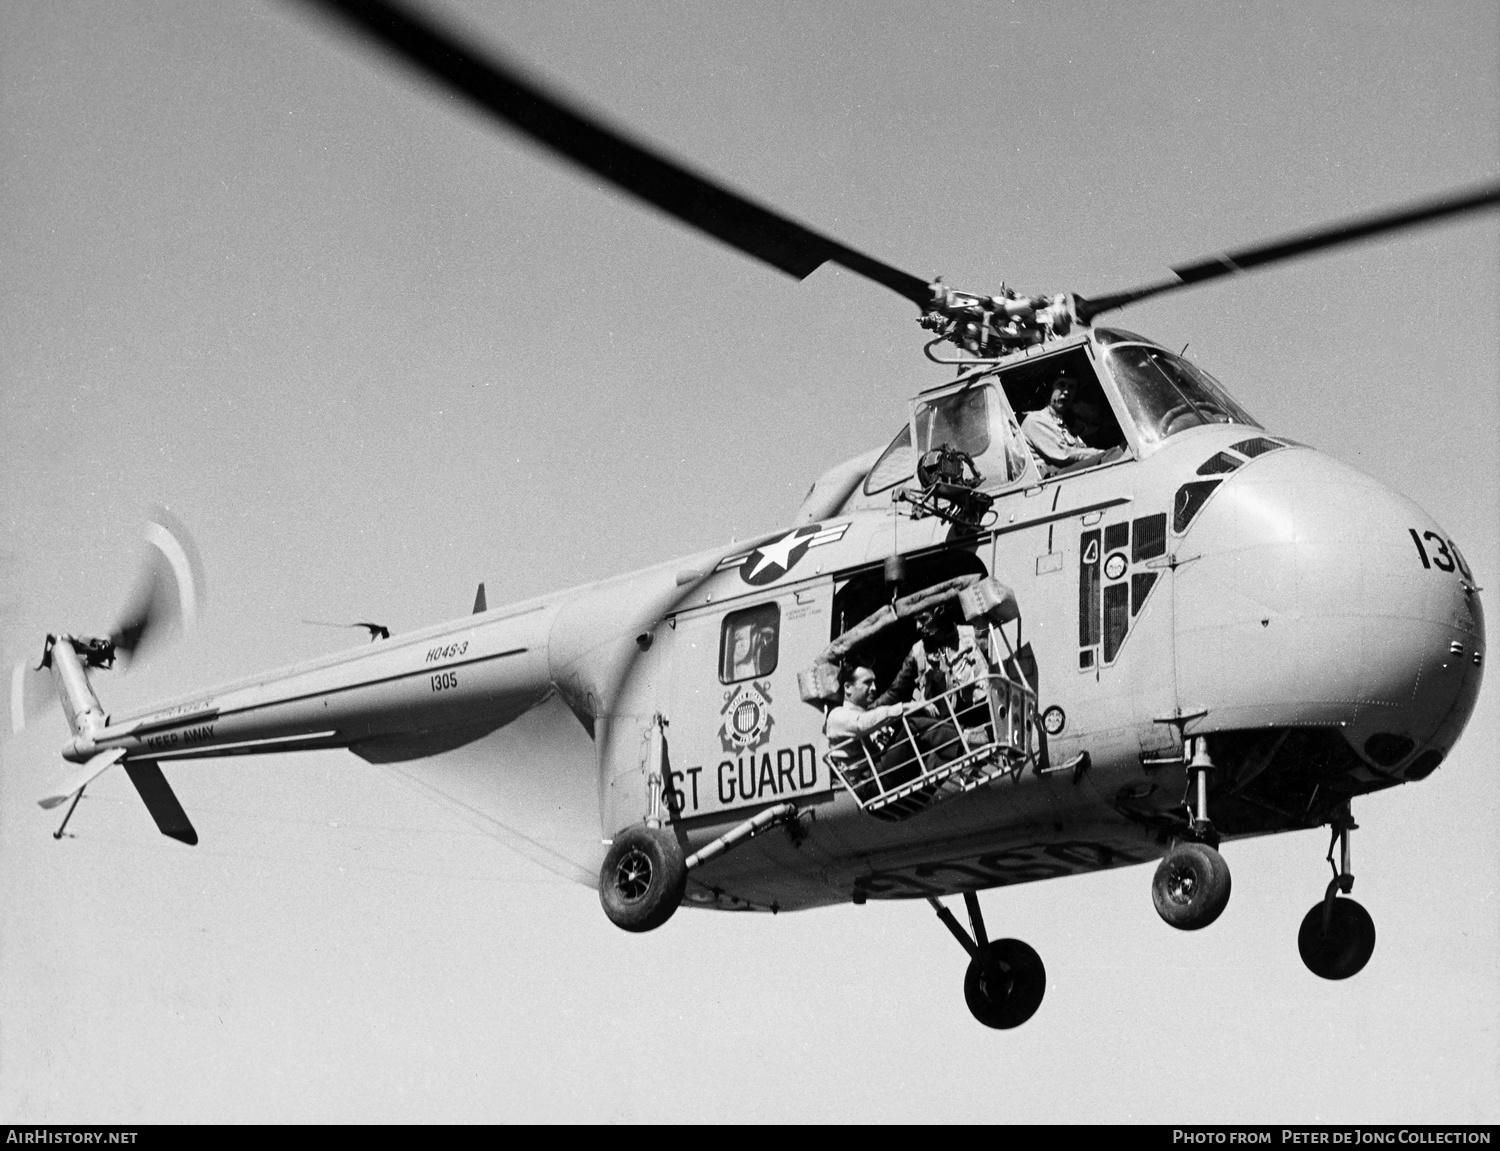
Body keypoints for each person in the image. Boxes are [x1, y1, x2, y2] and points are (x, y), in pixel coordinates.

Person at [1021, 375, 1108, 476]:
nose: (1066, 391)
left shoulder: (1068, 423)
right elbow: (1064, 455)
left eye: (1071, 387)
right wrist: (1100, 453)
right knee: (1112, 456)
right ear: (1050, 388)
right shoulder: (1035, 420)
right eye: (1061, 385)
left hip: (1071, 474)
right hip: (1053, 479)